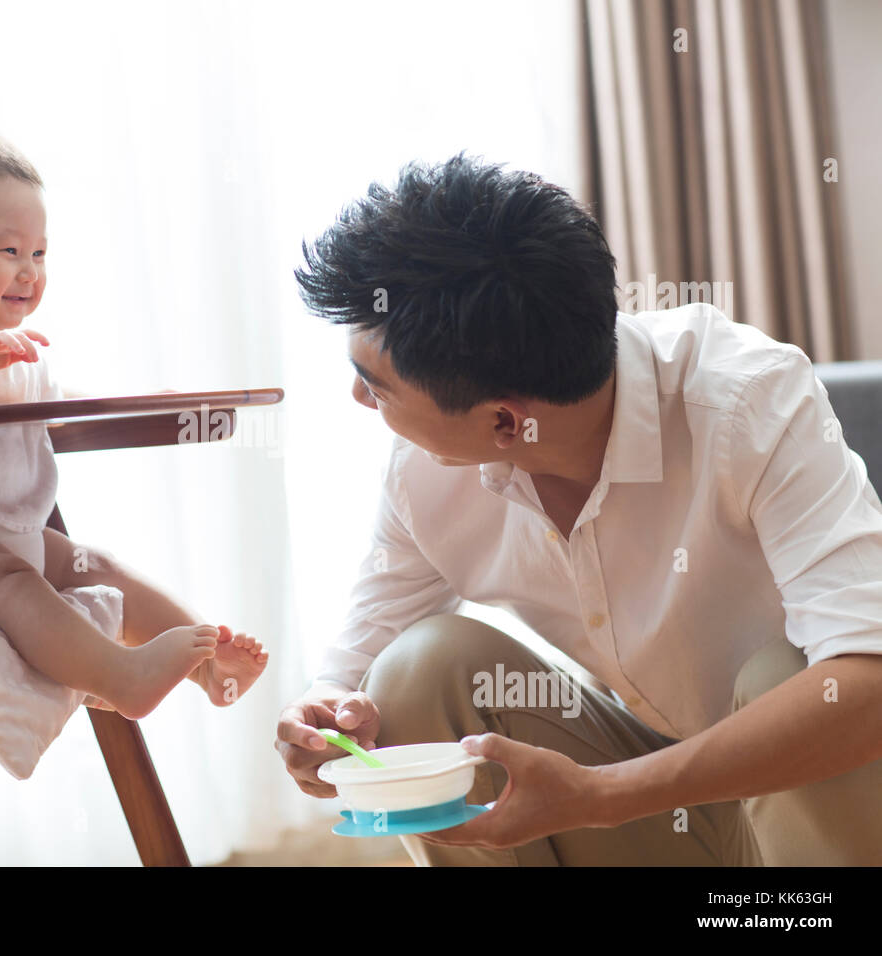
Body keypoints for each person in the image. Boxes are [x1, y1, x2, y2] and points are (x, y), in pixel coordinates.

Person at [276, 152, 882, 865]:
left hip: (825, 807)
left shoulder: (747, 399)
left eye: (375, 388)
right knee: (419, 668)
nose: (359, 402)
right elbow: (362, 649)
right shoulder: (430, 466)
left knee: (795, 676)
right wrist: (323, 711)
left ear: (504, 423)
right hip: (666, 807)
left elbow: (870, 681)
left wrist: (600, 794)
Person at [0, 125, 267, 721]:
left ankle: (208, 666)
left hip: (11, 541)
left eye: (39, 253)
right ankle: (123, 677)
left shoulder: (4, 348)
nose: (30, 271)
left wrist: (146, 403)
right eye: (9, 251)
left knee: (96, 566)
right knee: (6, 579)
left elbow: (58, 404)